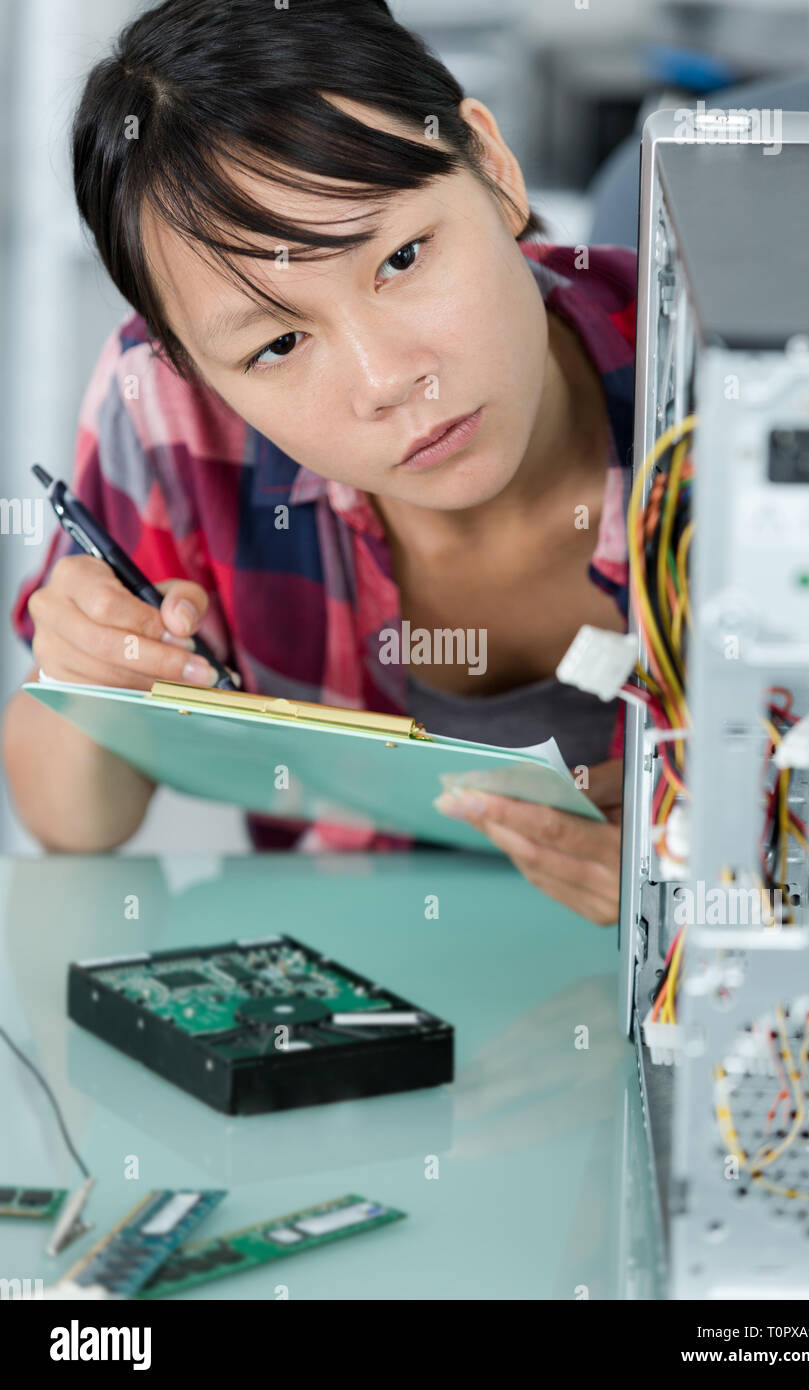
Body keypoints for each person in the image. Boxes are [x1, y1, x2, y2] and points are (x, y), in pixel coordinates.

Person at [2, 0, 635, 925]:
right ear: (191, 368)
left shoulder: (720, 383)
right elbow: (74, 824)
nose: (386, 381)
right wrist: (91, 681)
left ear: (493, 169)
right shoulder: (170, 412)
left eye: (403, 258)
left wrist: (738, 886)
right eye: (277, 347)